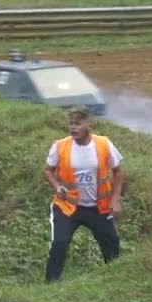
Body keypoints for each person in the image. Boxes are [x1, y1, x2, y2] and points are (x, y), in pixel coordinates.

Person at [44, 106, 124, 283]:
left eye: (78, 124)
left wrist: (116, 199)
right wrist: (57, 186)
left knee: (112, 244)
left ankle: (116, 283)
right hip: (68, 207)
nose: (73, 128)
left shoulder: (104, 144)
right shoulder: (60, 146)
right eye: (71, 124)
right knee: (59, 245)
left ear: (88, 124)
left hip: (98, 208)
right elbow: (48, 170)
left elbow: (118, 171)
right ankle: (50, 286)